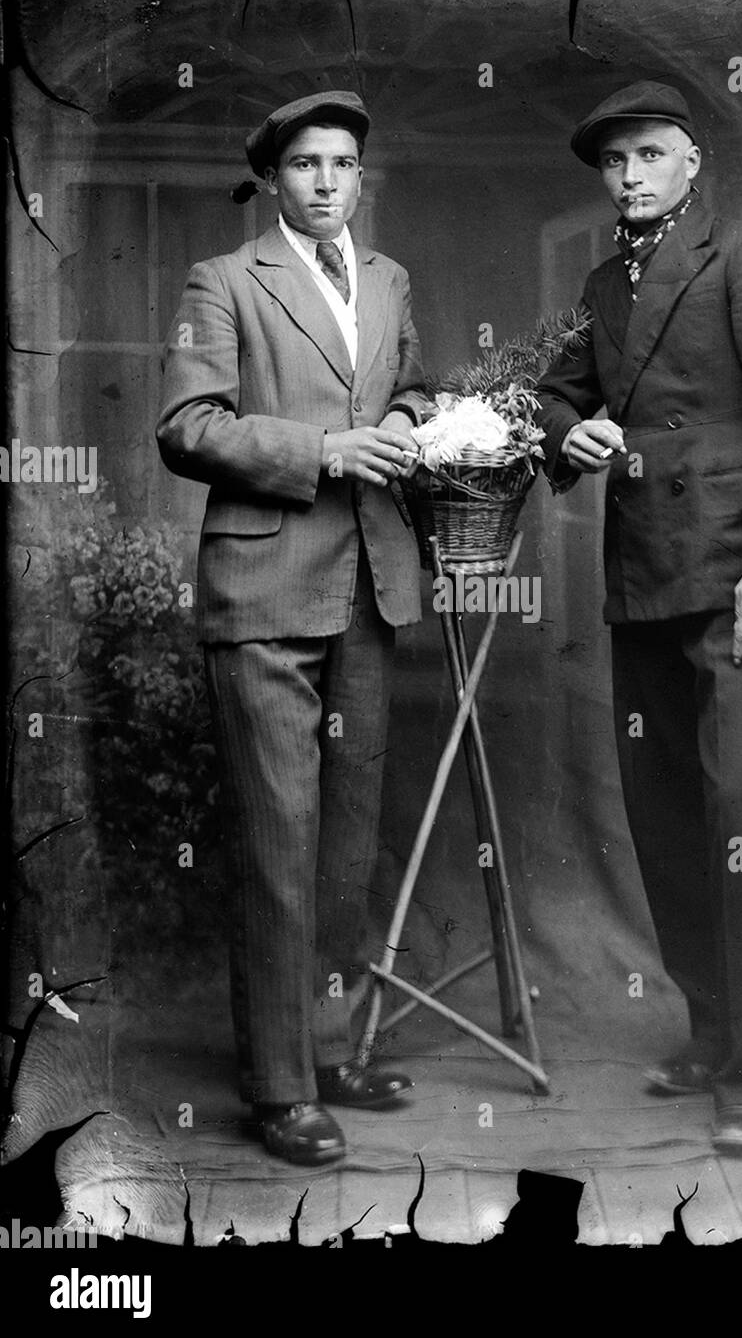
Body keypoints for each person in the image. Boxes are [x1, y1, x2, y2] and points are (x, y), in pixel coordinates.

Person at [533, 81, 742, 1153]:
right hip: (645, 583)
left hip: (740, 587)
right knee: (669, 824)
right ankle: (715, 1036)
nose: (629, 176)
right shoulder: (599, 280)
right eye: (613, 161)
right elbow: (556, 393)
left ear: (692, 162)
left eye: (650, 156)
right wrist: (568, 432)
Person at [157, 91, 430, 1166]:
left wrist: (403, 422)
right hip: (265, 593)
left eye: (344, 164)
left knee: (346, 846)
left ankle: (329, 1051)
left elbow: (412, 385)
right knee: (280, 843)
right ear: (272, 177)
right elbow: (188, 425)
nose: (327, 182)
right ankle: (278, 1089)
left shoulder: (392, 277)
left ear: (362, 176)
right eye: (307, 164)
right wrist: (327, 451)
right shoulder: (222, 281)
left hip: (369, 586)